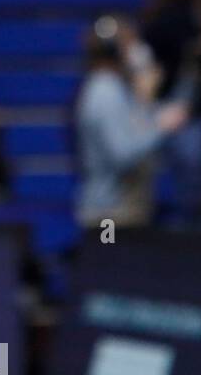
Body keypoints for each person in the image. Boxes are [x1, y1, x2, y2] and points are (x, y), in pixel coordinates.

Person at [75, 16, 188, 228]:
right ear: (115, 51)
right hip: (111, 214)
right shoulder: (106, 92)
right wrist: (161, 127)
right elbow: (123, 153)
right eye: (129, 44)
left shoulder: (113, 88)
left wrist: (146, 98)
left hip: (119, 210)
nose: (136, 51)